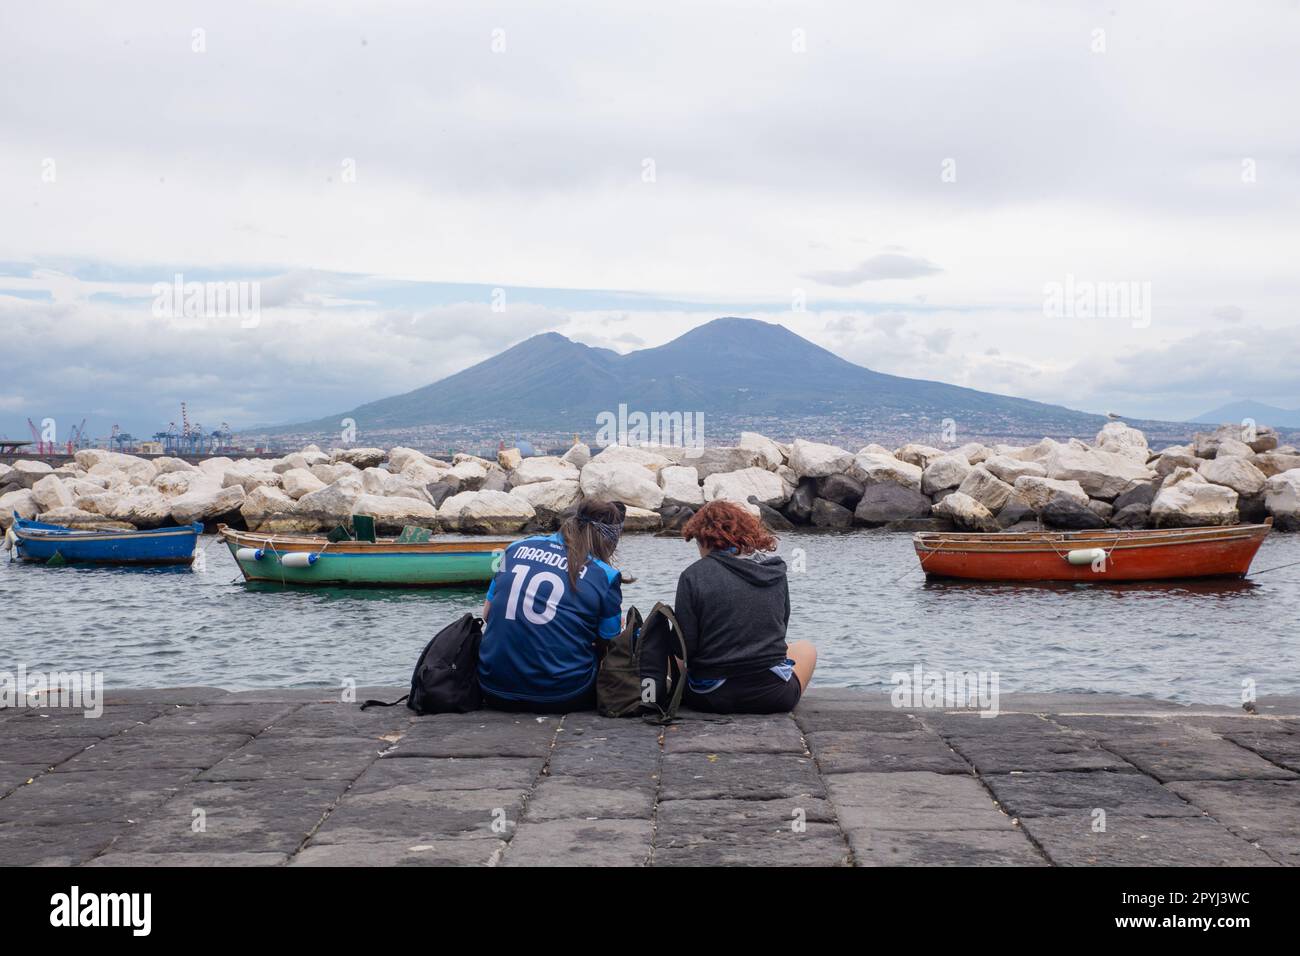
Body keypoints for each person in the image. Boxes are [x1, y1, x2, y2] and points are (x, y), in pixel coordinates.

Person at [477, 500, 626, 713]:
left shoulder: (515, 548)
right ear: (608, 541)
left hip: (493, 689)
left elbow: (487, 614)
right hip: (562, 695)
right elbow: (609, 643)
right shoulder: (605, 574)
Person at [674, 500, 815, 713]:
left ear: (704, 540)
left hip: (711, 697)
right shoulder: (774, 571)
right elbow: (781, 629)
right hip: (774, 696)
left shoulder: (692, 575)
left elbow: (686, 646)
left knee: (670, 651)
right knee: (806, 648)